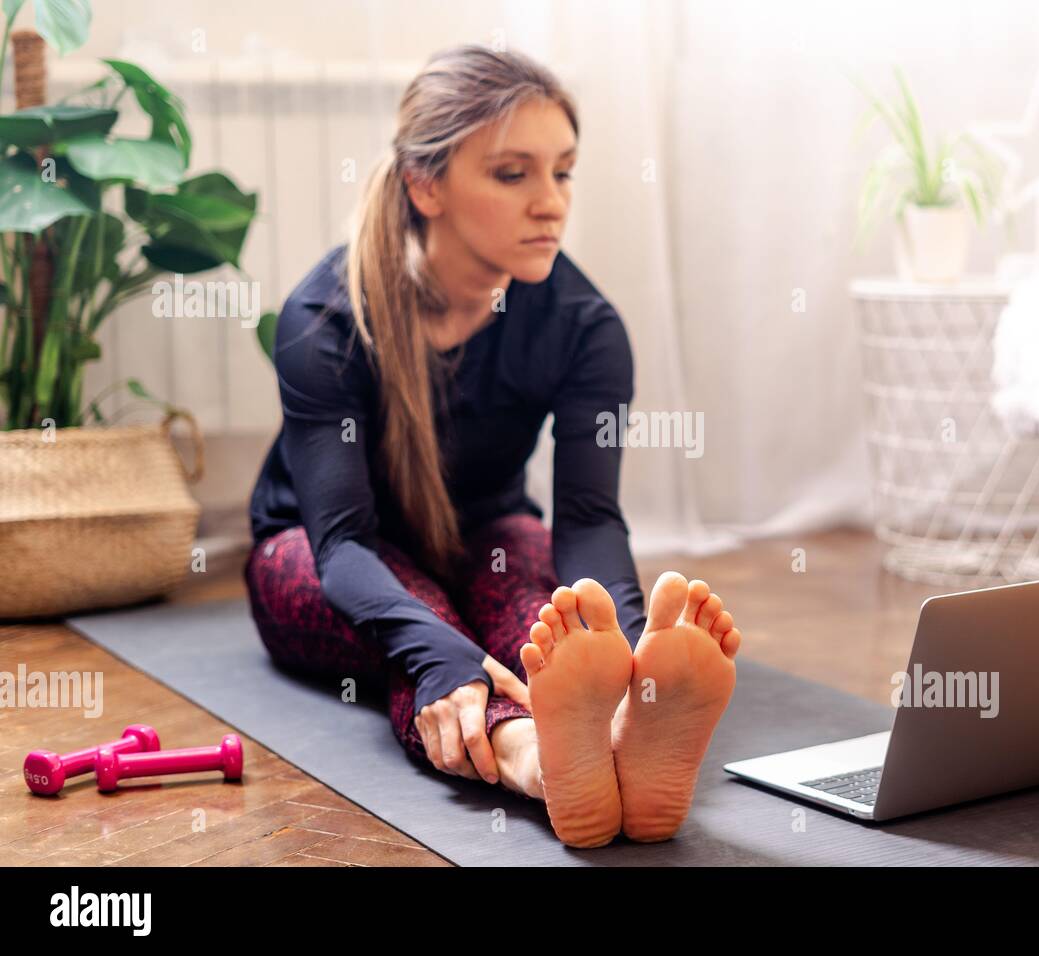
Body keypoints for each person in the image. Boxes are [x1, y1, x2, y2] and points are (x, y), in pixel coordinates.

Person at [244, 44, 741, 848]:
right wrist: (444, 656)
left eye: (564, 172)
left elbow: (586, 517)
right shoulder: (324, 322)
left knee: (554, 626)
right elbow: (342, 544)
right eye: (513, 175)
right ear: (425, 183)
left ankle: (620, 725)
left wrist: (632, 641)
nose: (551, 204)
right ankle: (540, 762)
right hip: (324, 554)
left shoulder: (586, 328)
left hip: (487, 535)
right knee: (434, 651)